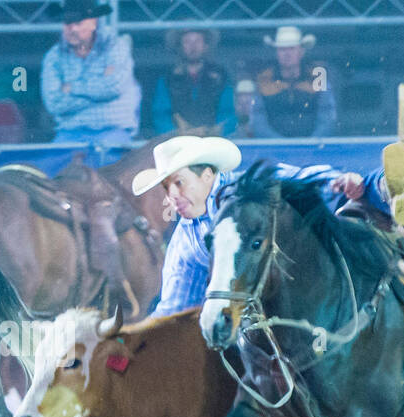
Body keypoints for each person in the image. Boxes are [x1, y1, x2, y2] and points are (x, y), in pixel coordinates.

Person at [131, 135, 387, 317]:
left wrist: (340, 181)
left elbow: (305, 180)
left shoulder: (253, 189)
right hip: (257, 334)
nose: (171, 195)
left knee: (368, 195)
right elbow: (175, 309)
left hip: (320, 304)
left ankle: (388, 189)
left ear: (207, 175)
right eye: (166, 188)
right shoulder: (188, 237)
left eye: (179, 183)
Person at [40, 0, 141, 147]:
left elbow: (113, 87)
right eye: (67, 23)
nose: (72, 29)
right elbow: (54, 103)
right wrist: (101, 95)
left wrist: (71, 88)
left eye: (78, 23)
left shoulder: (116, 45)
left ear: (93, 22)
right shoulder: (54, 56)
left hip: (113, 132)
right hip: (70, 134)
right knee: (57, 167)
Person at [254, 25, 337, 138]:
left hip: (313, 149)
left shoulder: (317, 77)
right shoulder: (264, 79)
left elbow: (327, 115)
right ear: (277, 53)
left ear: (301, 51)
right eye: (282, 49)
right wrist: (278, 144)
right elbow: (258, 120)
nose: (287, 53)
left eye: (292, 48)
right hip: (274, 149)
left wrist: (311, 143)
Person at [151, 29, 232, 135]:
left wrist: (216, 130)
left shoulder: (220, 77)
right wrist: (176, 132)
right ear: (180, 47)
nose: (193, 46)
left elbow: (228, 111)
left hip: (213, 141)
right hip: (178, 142)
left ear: (205, 46)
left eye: (197, 41)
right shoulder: (167, 78)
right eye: (187, 41)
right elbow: (160, 114)